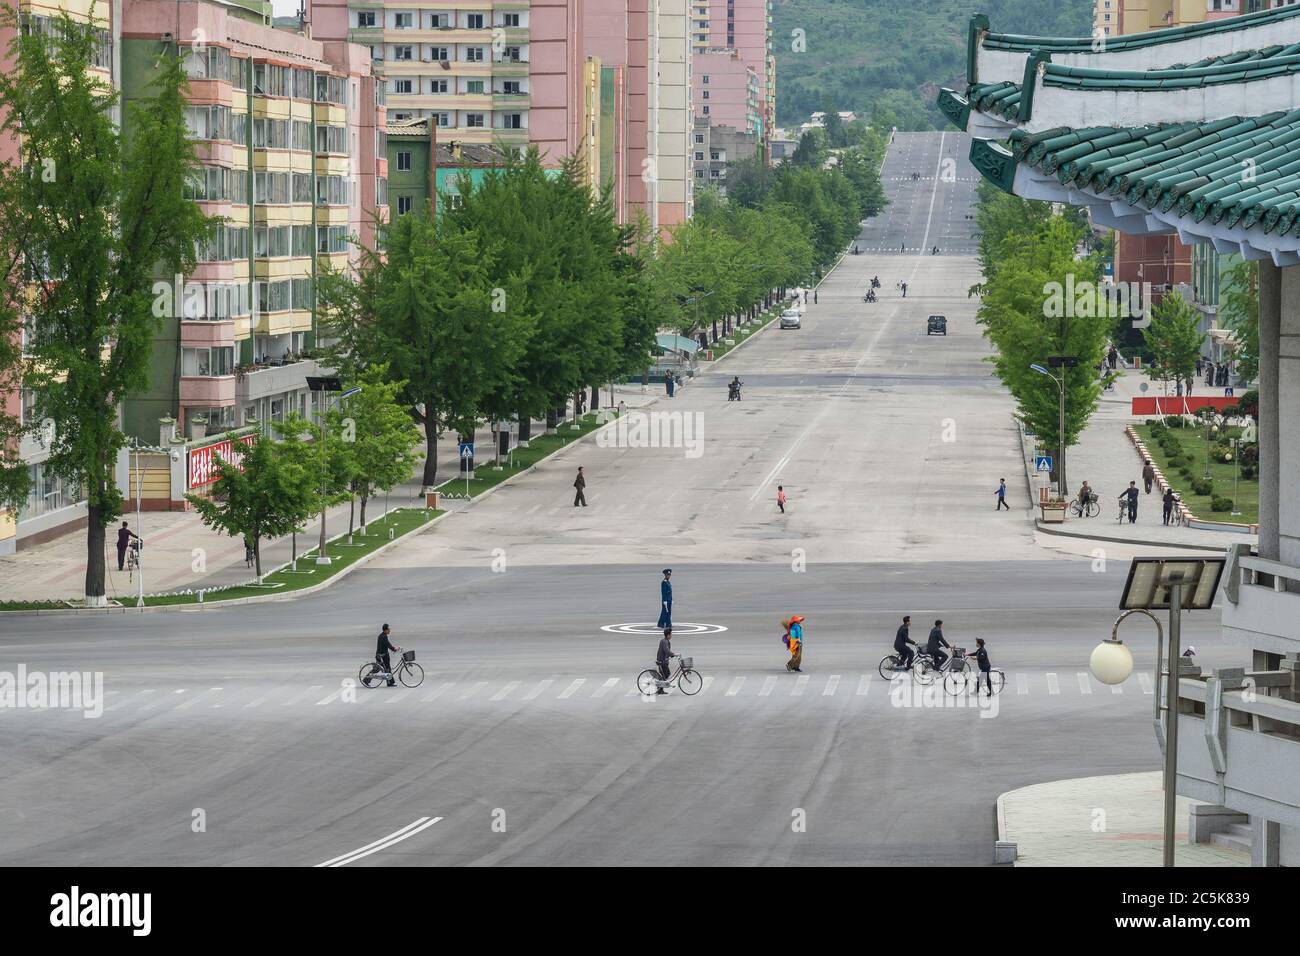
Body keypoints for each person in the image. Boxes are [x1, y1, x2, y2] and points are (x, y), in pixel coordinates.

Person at [655, 628, 675, 695]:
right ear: (668, 635)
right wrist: (673, 654)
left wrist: (671, 655)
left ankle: (660, 688)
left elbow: (667, 652)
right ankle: (659, 687)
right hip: (662, 661)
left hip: (663, 660)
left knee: (664, 675)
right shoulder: (664, 641)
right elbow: (666, 651)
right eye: (671, 634)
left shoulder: (665, 641)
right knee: (667, 674)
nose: (672, 635)